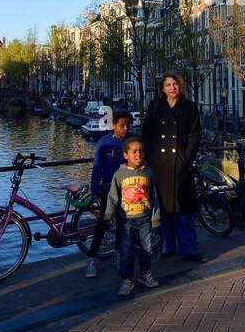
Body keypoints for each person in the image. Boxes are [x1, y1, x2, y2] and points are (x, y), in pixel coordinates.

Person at [141, 73, 205, 262]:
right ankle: (168, 246)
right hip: (160, 165)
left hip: (180, 164)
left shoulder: (189, 107)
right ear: (163, 88)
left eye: (175, 84)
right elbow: (147, 133)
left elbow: (195, 135)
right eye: (168, 84)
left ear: (180, 87)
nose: (172, 87)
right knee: (165, 209)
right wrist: (152, 158)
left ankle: (190, 249)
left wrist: (186, 156)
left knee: (184, 208)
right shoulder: (155, 107)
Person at [104, 137, 161, 297]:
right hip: (126, 220)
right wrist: (108, 216)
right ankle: (127, 279)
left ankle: (145, 274)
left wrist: (155, 217)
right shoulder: (119, 174)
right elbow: (113, 197)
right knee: (126, 251)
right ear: (125, 155)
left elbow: (154, 196)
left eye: (141, 151)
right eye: (134, 152)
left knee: (147, 248)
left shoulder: (148, 172)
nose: (138, 155)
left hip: (145, 218)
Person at [85, 110, 131, 278]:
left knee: (122, 223)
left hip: (126, 189)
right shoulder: (104, 143)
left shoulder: (131, 142)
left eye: (127, 125)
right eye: (122, 125)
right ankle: (92, 258)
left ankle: (118, 253)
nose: (125, 128)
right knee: (103, 223)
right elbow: (97, 167)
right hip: (109, 189)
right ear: (114, 125)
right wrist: (94, 189)